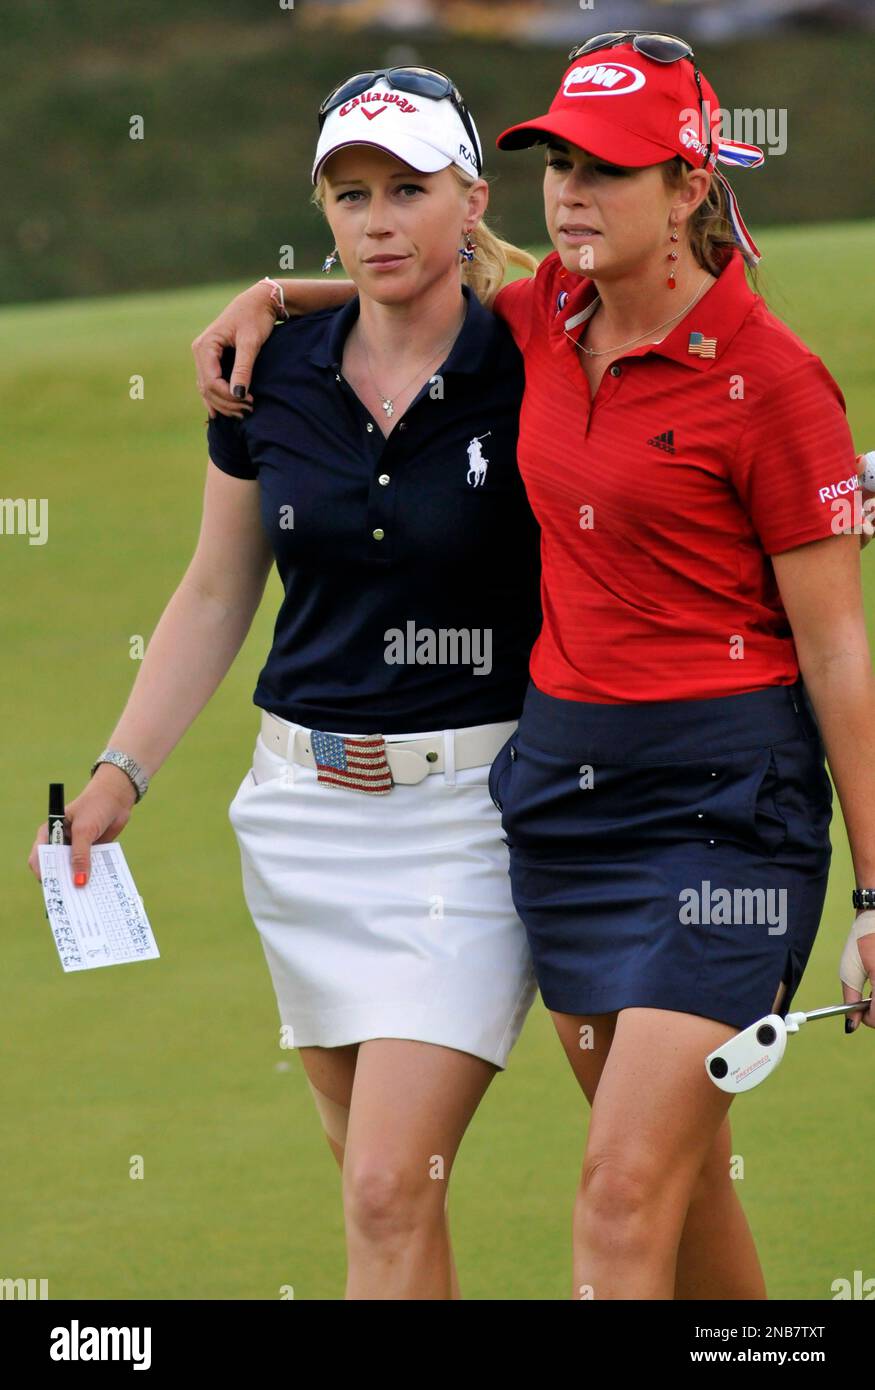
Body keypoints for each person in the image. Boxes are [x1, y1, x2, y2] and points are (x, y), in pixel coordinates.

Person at [192, 35, 874, 1301]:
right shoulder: (542, 321)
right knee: (676, 1176)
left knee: (618, 1191)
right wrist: (276, 297)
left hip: (724, 815)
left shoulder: (773, 383)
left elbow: (837, 650)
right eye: (558, 160)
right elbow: (410, 285)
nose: (571, 190)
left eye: (607, 168)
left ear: (686, 188)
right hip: (561, 807)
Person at [29, 68, 545, 1300]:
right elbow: (216, 591)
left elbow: (642, 294)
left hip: (470, 821)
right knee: (379, 1195)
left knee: (382, 1186)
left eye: (409, 190)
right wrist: (120, 770)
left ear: (469, 198)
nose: (376, 220)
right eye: (350, 193)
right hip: (302, 819)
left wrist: (269, 288)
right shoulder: (272, 372)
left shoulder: (533, 358)